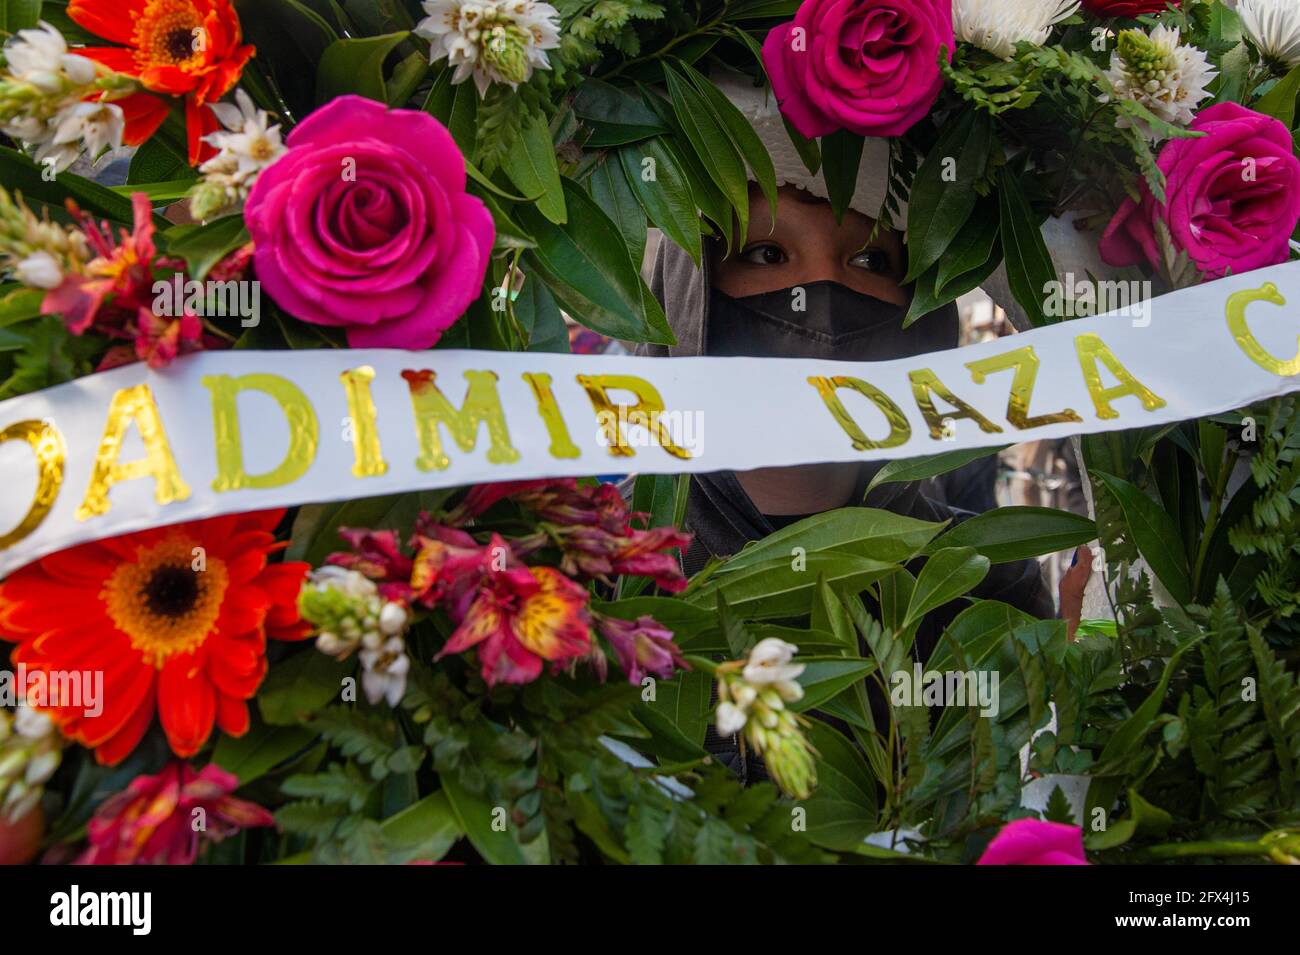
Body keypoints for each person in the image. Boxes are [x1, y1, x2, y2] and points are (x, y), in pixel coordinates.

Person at [634, 77, 1090, 780]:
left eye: (873, 260)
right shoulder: (599, 581)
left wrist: (1081, 698)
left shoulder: (985, 580)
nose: (820, 302)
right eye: (765, 255)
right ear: (688, 286)